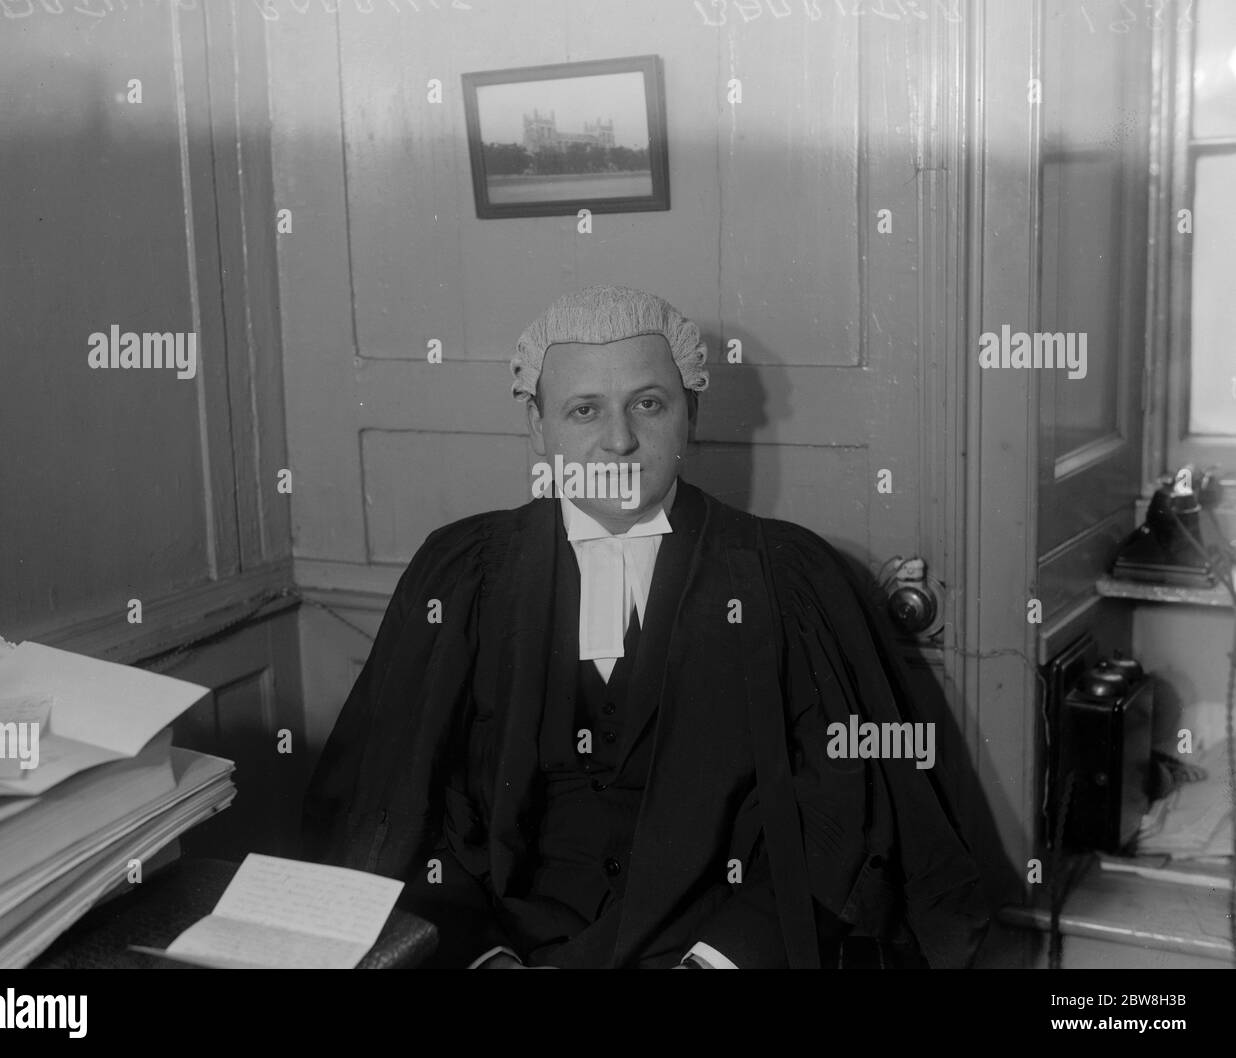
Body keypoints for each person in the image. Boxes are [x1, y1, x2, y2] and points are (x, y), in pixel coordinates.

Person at [302, 285, 990, 968]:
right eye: (584, 410)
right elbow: (393, 806)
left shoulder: (788, 579)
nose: (620, 440)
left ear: (690, 413)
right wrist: (484, 957)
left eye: (649, 404)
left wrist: (721, 960)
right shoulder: (461, 576)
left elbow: (843, 816)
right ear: (538, 428)